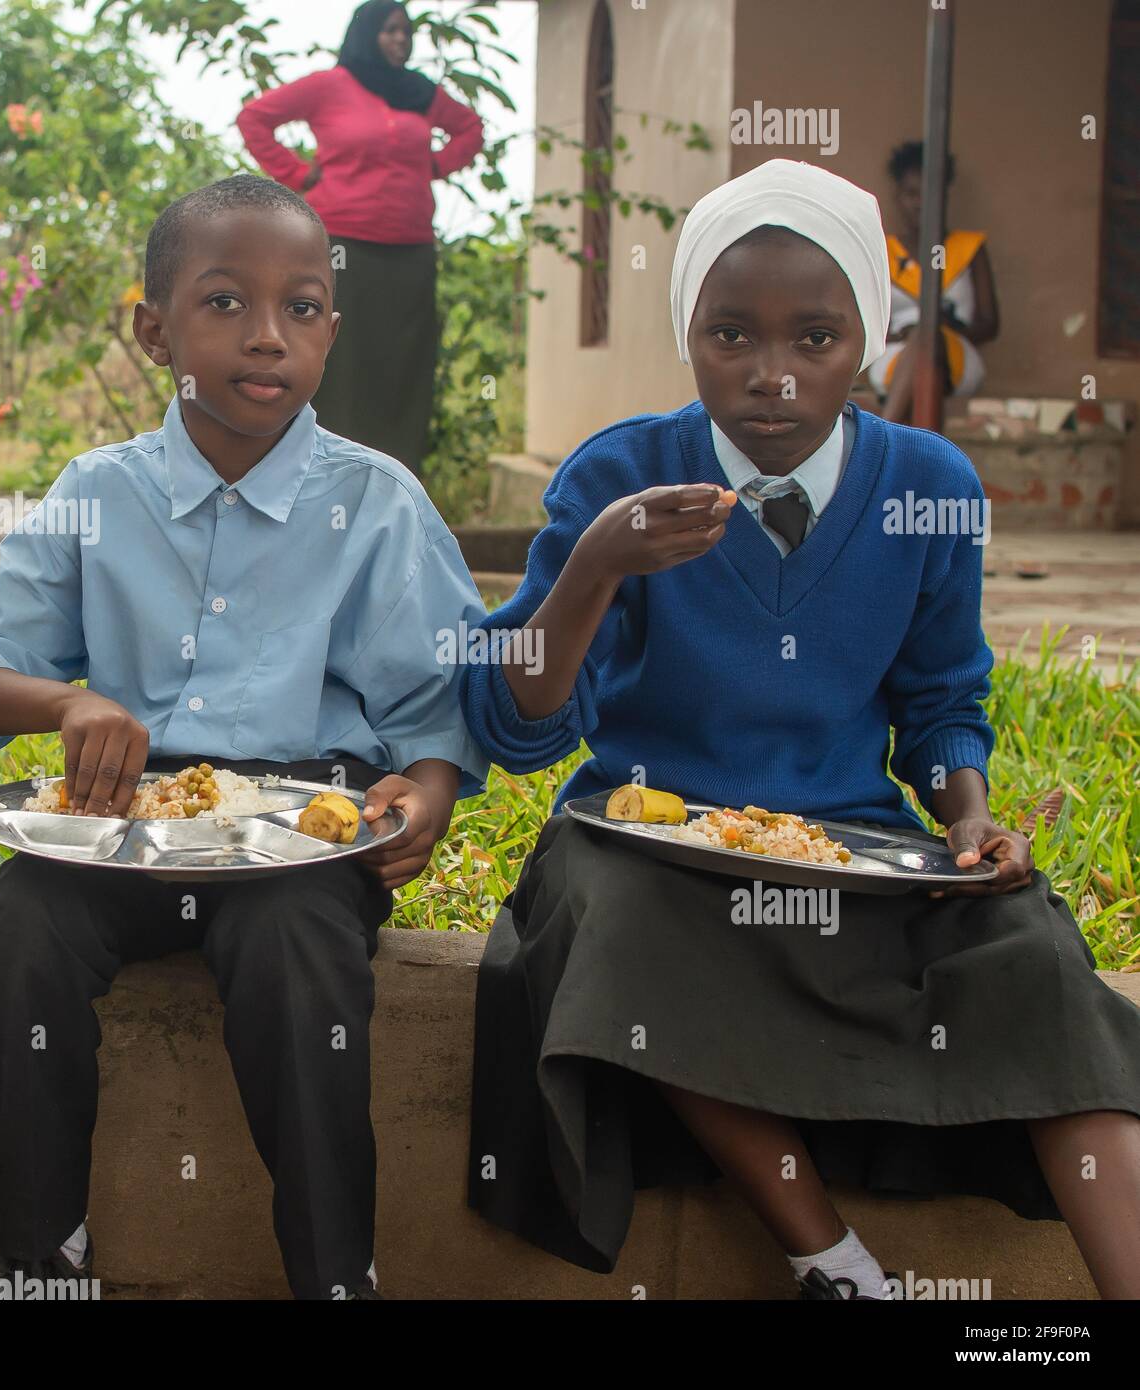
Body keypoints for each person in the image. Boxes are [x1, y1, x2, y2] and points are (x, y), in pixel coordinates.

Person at [459, 159, 1140, 1301]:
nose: (770, 375)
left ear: (865, 341)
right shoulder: (619, 475)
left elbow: (940, 702)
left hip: (845, 846)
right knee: (620, 922)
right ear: (689, 332)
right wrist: (592, 567)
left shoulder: (929, 486)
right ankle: (835, 1266)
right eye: (730, 334)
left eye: (814, 339)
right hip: (650, 840)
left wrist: (969, 817)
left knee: (1027, 946)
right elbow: (516, 728)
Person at [0, 173, 489, 1301]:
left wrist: (425, 794)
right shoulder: (98, 493)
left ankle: (334, 1275)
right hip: (128, 821)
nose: (268, 337)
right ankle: (40, 1258)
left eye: (304, 306)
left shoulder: (374, 504)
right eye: (225, 303)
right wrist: (67, 703)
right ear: (152, 327)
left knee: (292, 948)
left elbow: (434, 709)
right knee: (20, 923)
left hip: (302, 832)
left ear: (330, 325)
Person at [236, 0, 484, 473]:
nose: (400, 40)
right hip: (345, 248)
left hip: (411, 250)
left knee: (403, 367)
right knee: (343, 362)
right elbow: (255, 119)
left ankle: (394, 475)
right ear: (366, 34)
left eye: (406, 32)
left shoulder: (417, 93)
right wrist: (299, 175)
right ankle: (328, 471)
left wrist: (434, 166)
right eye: (390, 31)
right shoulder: (329, 86)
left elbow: (469, 128)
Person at [867, 141, 999, 422]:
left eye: (928, 193)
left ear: (944, 194)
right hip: (895, 355)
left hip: (957, 354)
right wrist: (905, 335)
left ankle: (885, 441)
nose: (919, 202)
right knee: (922, 339)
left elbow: (990, 324)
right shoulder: (882, 251)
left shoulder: (970, 248)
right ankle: (924, 458)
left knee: (929, 337)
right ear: (897, 196)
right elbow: (865, 325)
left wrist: (944, 329)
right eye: (911, 193)